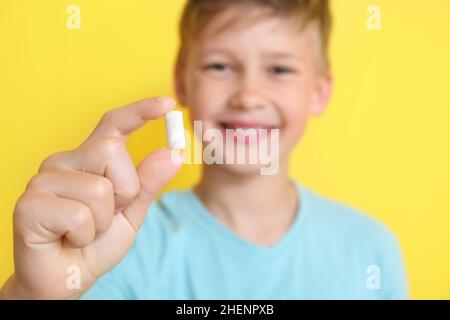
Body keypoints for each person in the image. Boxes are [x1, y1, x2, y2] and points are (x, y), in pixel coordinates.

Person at [0, 0, 408, 299]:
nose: (249, 96)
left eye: (280, 69)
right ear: (182, 84)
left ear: (318, 93)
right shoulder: (117, 245)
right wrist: (34, 295)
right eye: (220, 66)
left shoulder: (370, 250)